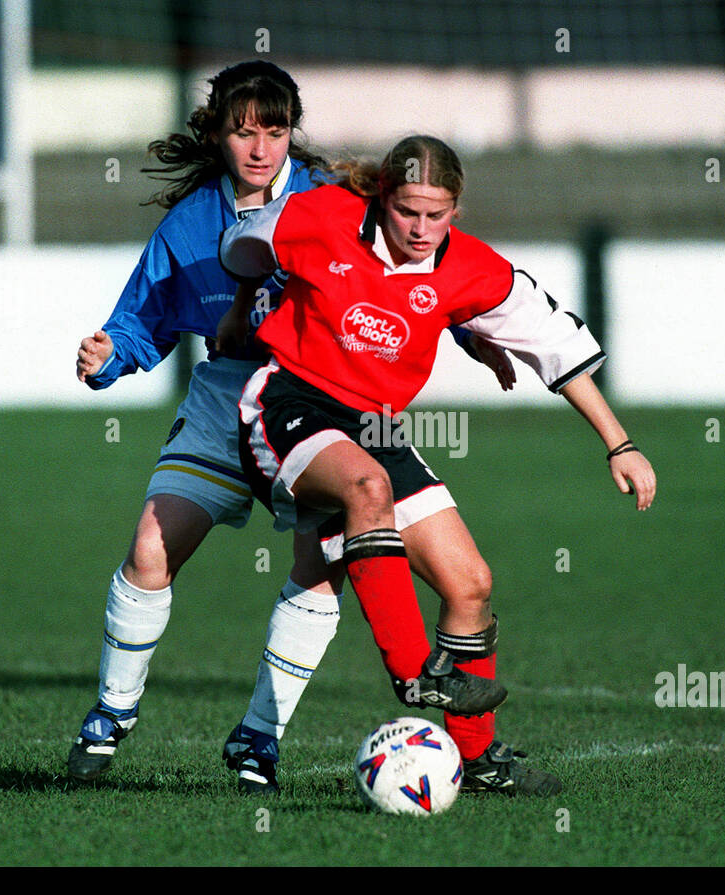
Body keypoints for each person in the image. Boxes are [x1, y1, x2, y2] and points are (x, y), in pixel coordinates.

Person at [66, 62, 503, 790]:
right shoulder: (190, 226)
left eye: (275, 131)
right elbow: (142, 323)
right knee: (151, 547)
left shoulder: (335, 201)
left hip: (324, 402)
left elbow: (418, 272)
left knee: (319, 568)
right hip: (223, 401)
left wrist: (474, 334)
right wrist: (109, 355)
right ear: (217, 135)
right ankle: (112, 715)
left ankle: (258, 739)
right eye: (244, 132)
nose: (261, 147)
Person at [220, 134, 657, 795]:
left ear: (456, 209)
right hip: (287, 403)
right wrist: (238, 314)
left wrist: (619, 444)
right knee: (365, 488)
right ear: (381, 197)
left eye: (439, 213)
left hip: (374, 427)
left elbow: (555, 350)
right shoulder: (320, 217)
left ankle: (479, 762)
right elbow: (241, 247)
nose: (422, 229)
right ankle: (412, 674)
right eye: (408, 211)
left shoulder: (475, 270)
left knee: (471, 583)